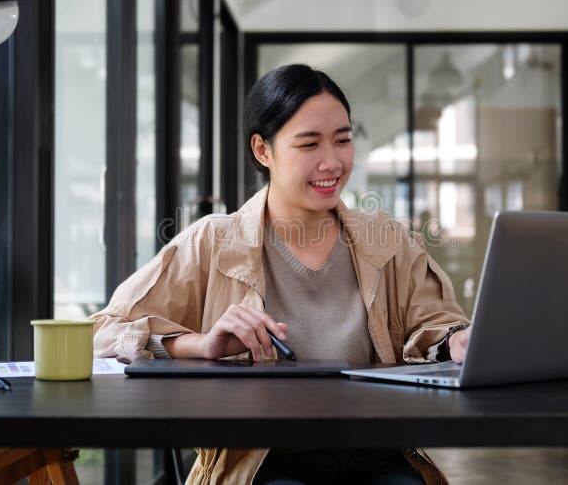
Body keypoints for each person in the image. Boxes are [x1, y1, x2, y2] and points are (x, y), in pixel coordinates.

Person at [91, 64, 472, 485]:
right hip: (262, 459)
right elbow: (101, 334)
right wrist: (200, 345)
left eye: (343, 140)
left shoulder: (386, 238)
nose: (332, 161)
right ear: (262, 150)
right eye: (309, 144)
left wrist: (454, 339)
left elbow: (433, 323)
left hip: (378, 449)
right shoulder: (213, 242)